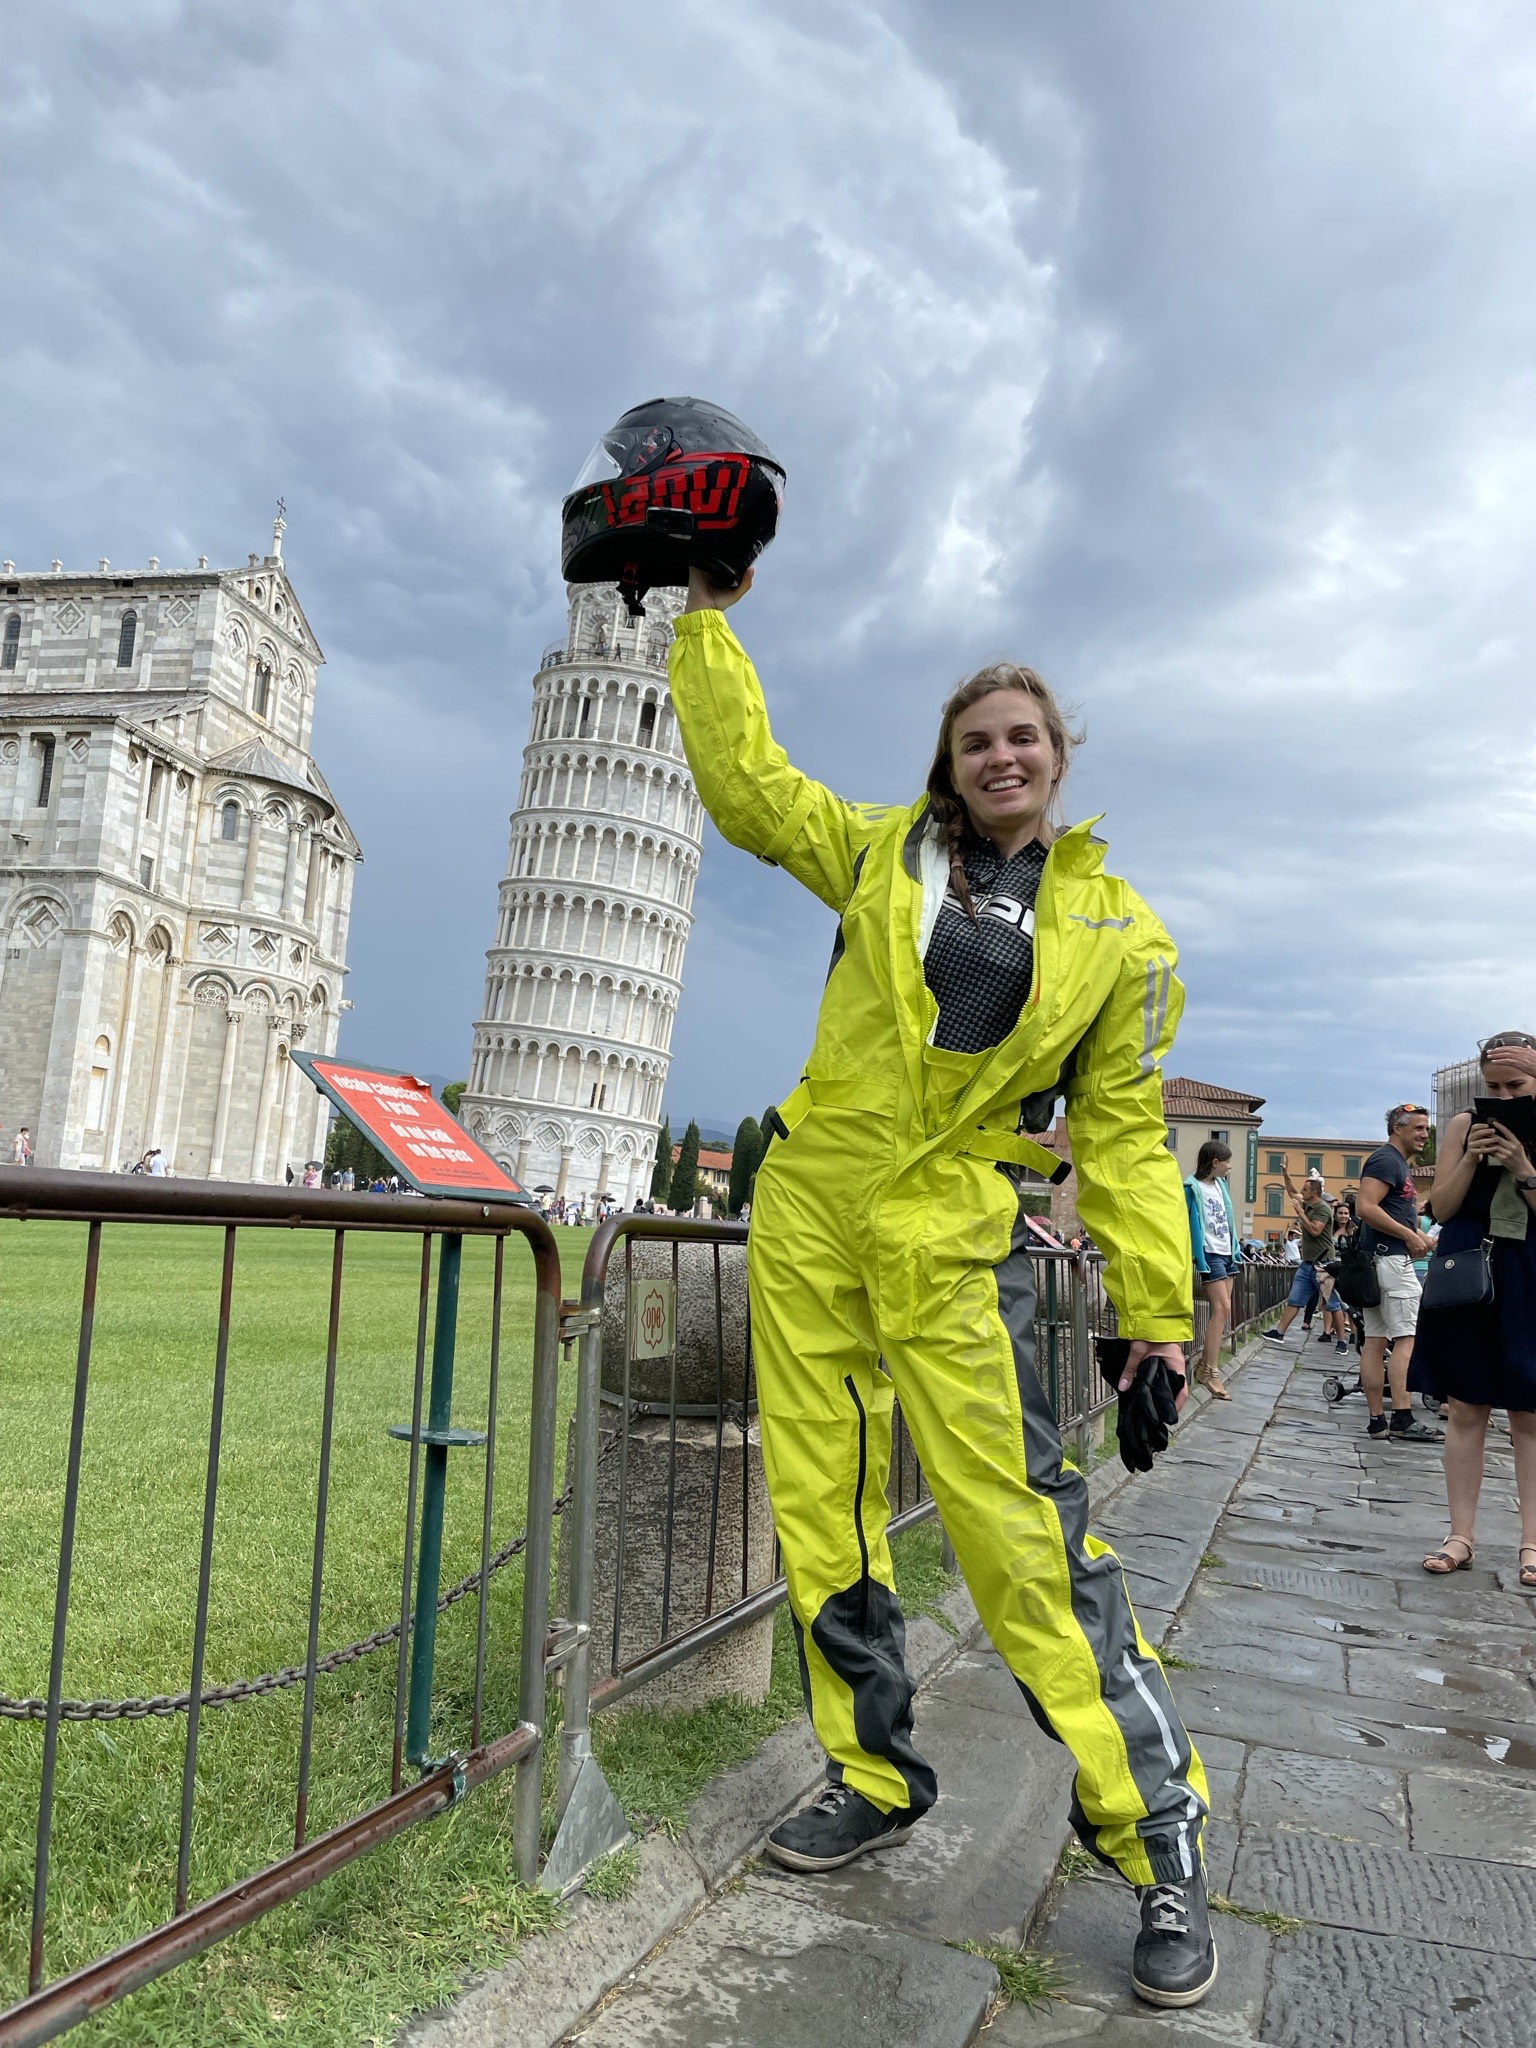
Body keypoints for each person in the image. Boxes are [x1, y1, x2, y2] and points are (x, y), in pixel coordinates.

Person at [668, 564, 1215, 2010]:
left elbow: (1123, 1135)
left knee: (1025, 1546)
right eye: (978, 739)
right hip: (812, 1220)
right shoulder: (876, 852)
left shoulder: (1122, 934)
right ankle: (871, 1772)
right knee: (824, 1515)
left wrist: (1155, 1311)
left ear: (1059, 755)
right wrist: (707, 617)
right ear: (949, 759)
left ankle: (1155, 1835)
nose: (1001, 756)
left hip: (952, 1244)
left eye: (1023, 735)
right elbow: (747, 786)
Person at [1411, 1032, 1536, 1585]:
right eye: (1494, 1087)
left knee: (1529, 1411)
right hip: (1470, 1269)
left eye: (1516, 1086)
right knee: (1465, 1406)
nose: (1504, 1098)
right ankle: (1460, 1535)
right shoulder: (1463, 1125)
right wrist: (1471, 1157)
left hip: (1527, 1267)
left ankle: (1532, 1542)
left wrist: (1522, 1165)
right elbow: (1440, 1207)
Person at [1356, 1105, 1442, 1443]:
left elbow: (1392, 1215)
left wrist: (1422, 1238)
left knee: (1375, 1340)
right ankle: (1403, 1417)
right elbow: (1366, 1207)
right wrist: (1409, 1236)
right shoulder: (1386, 1161)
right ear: (1397, 1127)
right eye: (1418, 1128)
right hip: (1392, 1263)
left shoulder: (1395, 1163)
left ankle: (1377, 1421)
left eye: (1426, 1128)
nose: (1424, 1135)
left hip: (1380, 1261)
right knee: (1407, 1337)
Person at [1263, 1173, 1348, 1355]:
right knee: (1294, 1299)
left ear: (1314, 1192)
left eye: (1305, 1189)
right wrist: (1285, 1174)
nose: (1302, 1191)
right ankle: (1279, 1333)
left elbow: (1316, 1230)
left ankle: (1342, 1342)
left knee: (1332, 1304)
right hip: (1307, 1262)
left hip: (1323, 1264)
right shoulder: (1307, 1204)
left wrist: (1301, 1214)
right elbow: (1292, 1192)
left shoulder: (1322, 1209)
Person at [1184, 1139, 1240, 1399]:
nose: (1230, 1166)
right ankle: (1212, 1372)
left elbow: (1227, 1217)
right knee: (1222, 1309)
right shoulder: (1191, 1187)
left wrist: (1235, 1247)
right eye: (1227, 1162)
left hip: (1227, 1252)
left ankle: (1204, 1368)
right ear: (1215, 1162)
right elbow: (1186, 1220)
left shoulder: (1221, 1185)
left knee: (1223, 1312)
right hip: (1210, 1253)